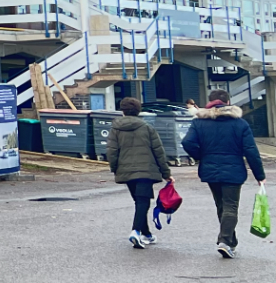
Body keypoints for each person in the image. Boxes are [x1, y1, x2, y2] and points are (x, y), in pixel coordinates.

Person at [182, 92, 266, 259]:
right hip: (234, 170)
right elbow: (251, 150)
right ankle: (226, 241)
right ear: (228, 102)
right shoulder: (239, 123)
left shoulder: (199, 122)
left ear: (210, 102)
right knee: (230, 206)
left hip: (210, 169)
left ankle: (230, 241)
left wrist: (201, 156)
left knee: (221, 205)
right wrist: (259, 175)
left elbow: (187, 142)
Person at [105, 97, 170, 248]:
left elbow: (112, 151)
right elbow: (159, 151)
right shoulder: (147, 128)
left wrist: (115, 168)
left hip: (126, 170)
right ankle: (135, 231)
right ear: (138, 110)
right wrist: (166, 172)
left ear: (122, 111)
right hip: (146, 171)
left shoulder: (115, 129)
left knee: (139, 202)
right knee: (143, 202)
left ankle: (146, 234)